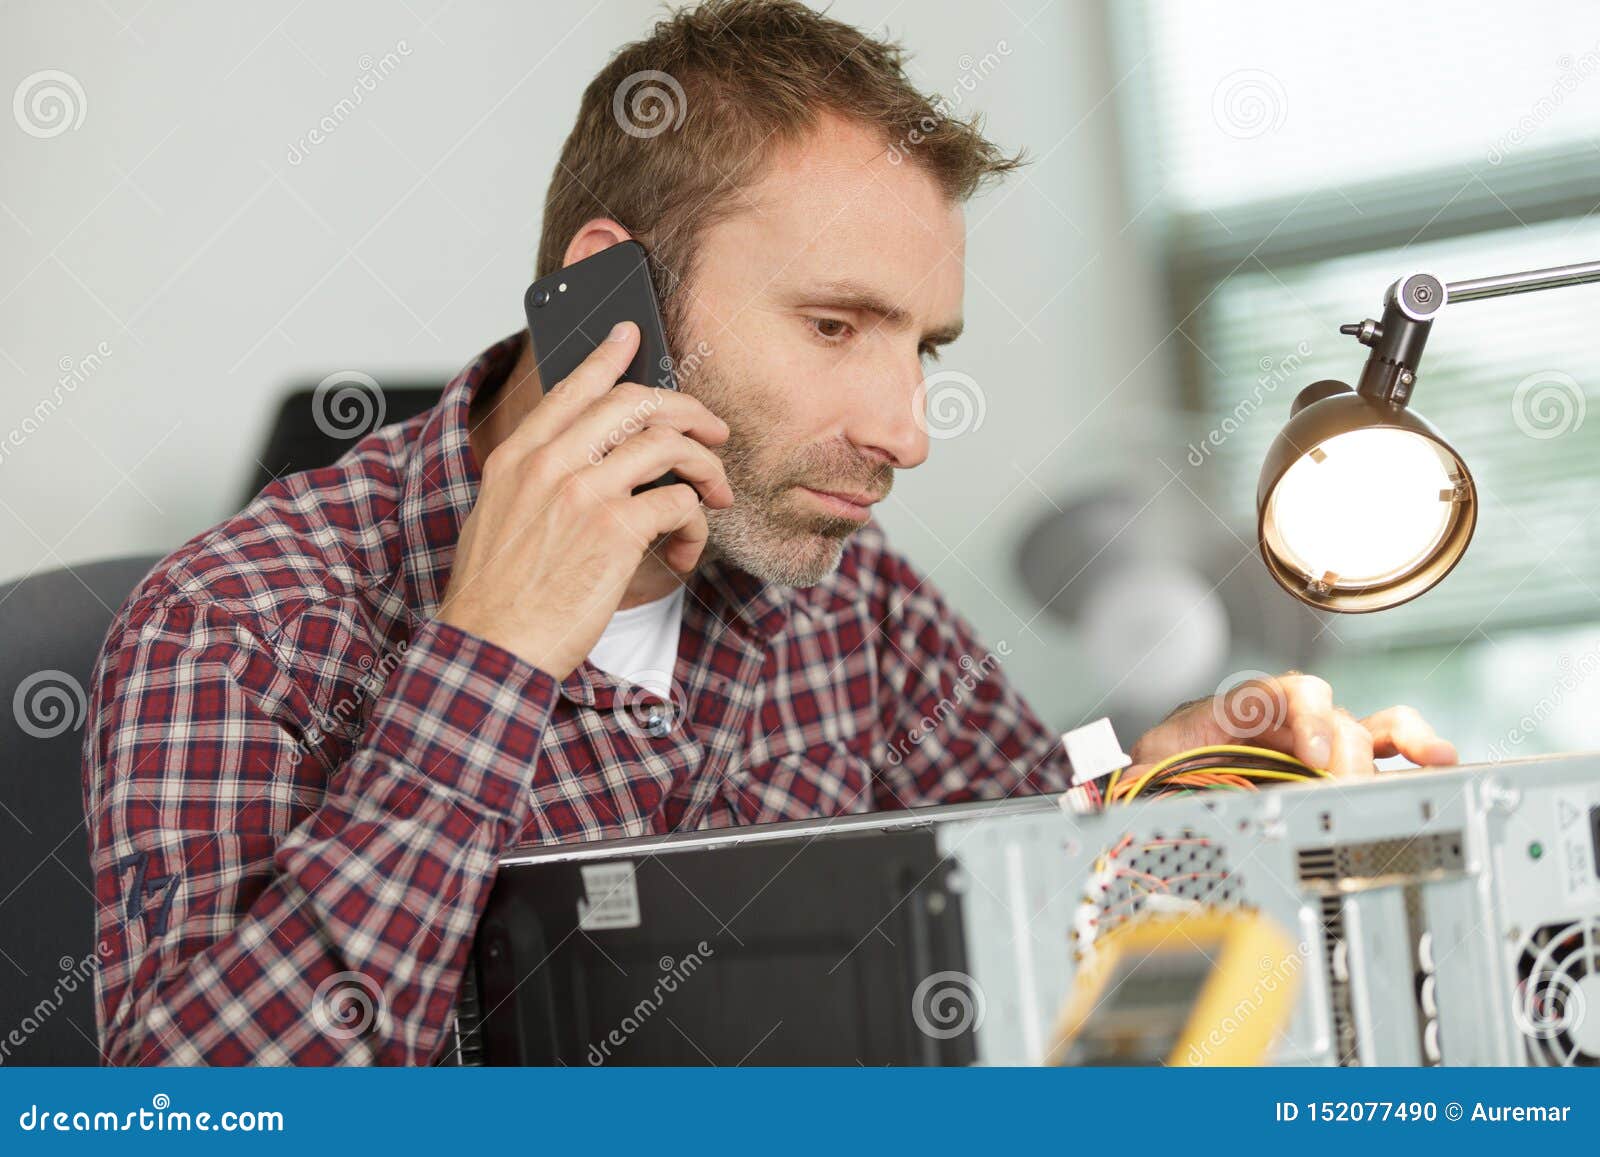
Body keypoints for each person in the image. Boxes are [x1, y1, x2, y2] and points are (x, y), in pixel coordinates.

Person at [81, 0, 1456, 1065]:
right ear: (608, 293)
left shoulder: (855, 599)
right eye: (835, 325)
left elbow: (1027, 879)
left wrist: (1164, 788)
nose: (908, 429)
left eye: (923, 347)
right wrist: (488, 663)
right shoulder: (241, 624)